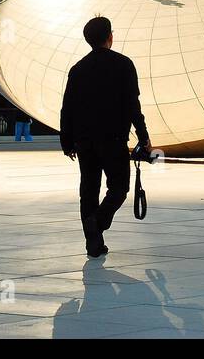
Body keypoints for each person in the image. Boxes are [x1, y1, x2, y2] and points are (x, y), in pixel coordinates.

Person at [60, 16, 153, 259]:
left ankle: (93, 243)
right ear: (110, 37)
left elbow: (67, 108)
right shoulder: (123, 64)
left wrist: (66, 142)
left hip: (85, 142)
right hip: (113, 139)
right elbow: (133, 106)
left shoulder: (78, 69)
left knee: (88, 191)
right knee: (119, 188)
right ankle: (97, 223)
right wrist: (143, 138)